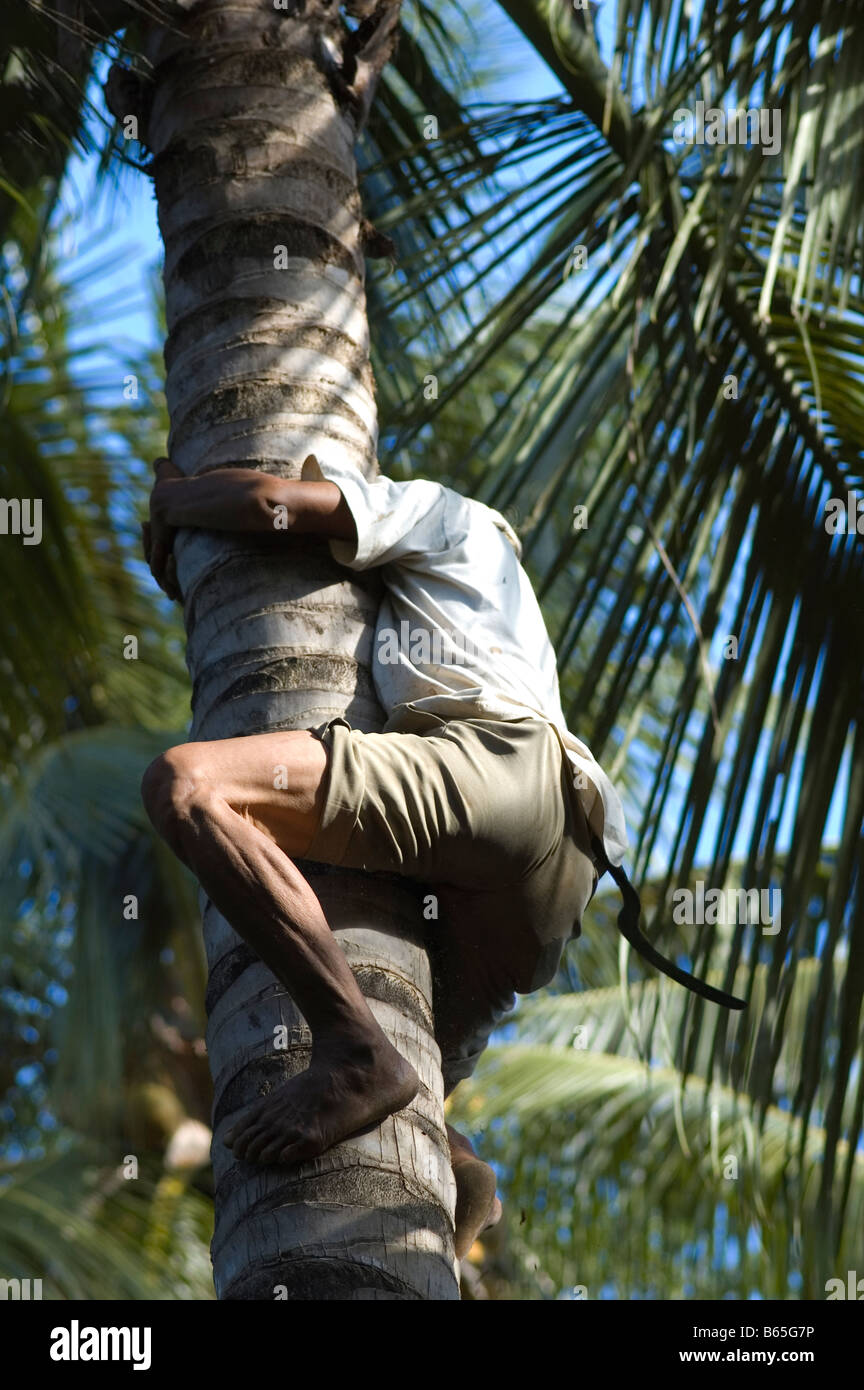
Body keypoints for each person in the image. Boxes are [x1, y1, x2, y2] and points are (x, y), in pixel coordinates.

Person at [141, 453, 744, 1258]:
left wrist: (176, 498)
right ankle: (463, 1174)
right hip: (559, 881)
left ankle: (353, 1047)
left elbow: (278, 504)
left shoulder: (442, 511)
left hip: (499, 771)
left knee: (186, 785)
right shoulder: (498, 601)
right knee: (428, 1081)